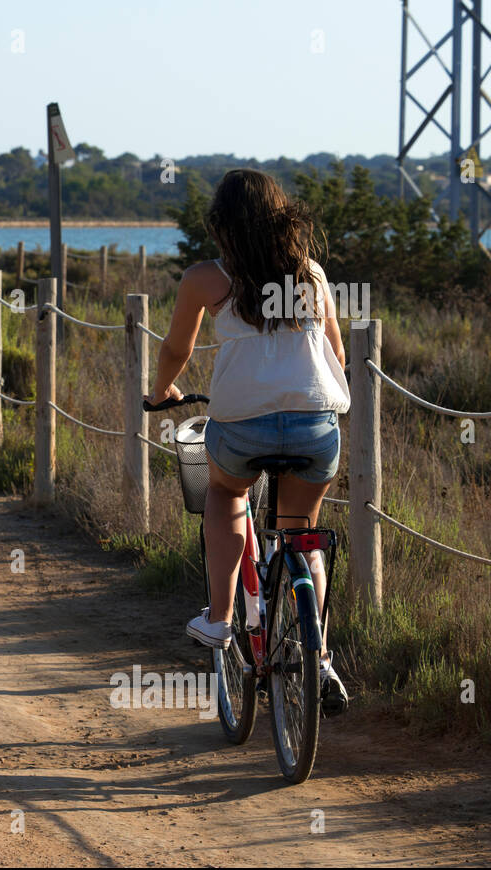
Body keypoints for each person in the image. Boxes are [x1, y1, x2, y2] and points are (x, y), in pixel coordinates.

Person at [146, 168, 351, 714]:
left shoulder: (206, 278)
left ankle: (218, 618)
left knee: (226, 495)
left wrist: (162, 390)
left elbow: (175, 352)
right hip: (315, 426)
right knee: (300, 535)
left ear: (221, 224)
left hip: (239, 426)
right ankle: (321, 655)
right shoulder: (311, 274)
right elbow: (338, 355)